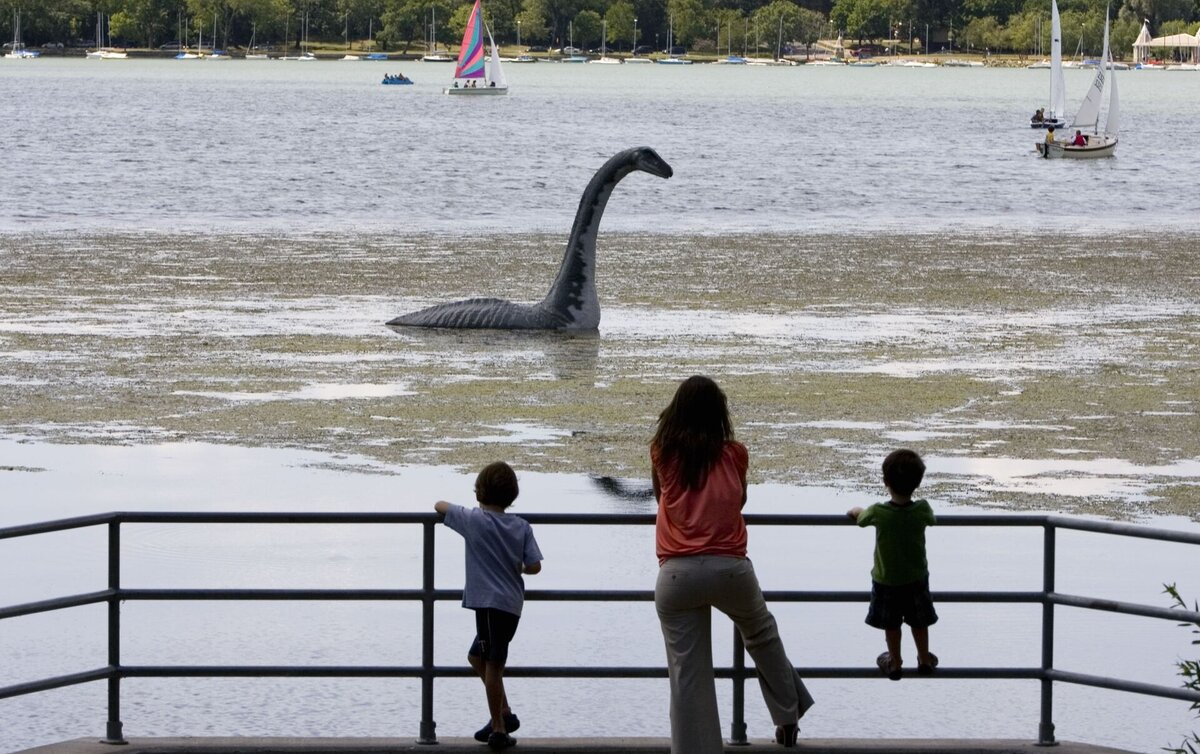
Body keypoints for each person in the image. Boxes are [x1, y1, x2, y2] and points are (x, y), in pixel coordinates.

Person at [651, 375, 814, 753]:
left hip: (677, 572)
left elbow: (661, 497)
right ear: (719, 413)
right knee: (761, 635)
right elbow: (738, 500)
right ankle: (788, 717)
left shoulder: (662, 452)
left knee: (687, 671)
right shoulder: (735, 453)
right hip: (730, 567)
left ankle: (697, 749)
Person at [434, 462, 543, 752]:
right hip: (510, 605)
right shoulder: (521, 526)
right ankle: (504, 714)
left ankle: (498, 728)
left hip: (487, 603)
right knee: (476, 657)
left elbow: (439, 505)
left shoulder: (474, 521)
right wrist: (516, 565)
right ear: (512, 495)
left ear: (479, 492)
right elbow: (534, 566)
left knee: (493, 664)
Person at [847, 448, 938, 682]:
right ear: (918, 483)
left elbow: (861, 518)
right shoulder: (922, 509)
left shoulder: (879, 512)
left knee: (892, 625)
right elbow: (932, 519)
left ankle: (895, 662)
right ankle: (924, 658)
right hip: (917, 577)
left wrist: (855, 510)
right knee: (919, 621)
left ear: (886, 481)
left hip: (886, 580)